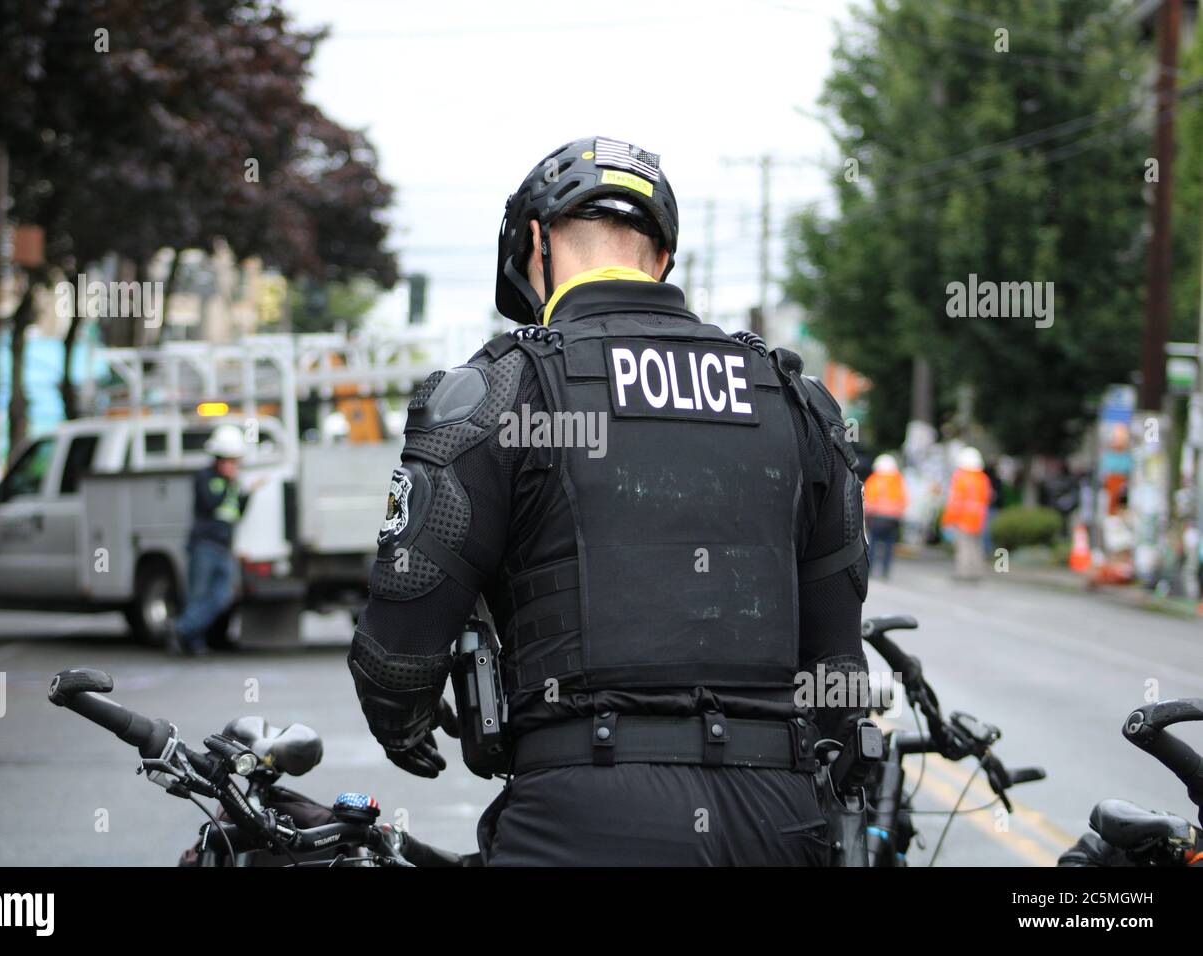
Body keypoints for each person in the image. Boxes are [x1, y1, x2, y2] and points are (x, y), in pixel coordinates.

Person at [348, 137, 869, 865]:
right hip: (775, 822)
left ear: (535, 244)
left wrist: (401, 722)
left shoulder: (498, 391)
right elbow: (839, 675)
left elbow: (401, 634)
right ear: (661, 258)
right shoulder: (796, 400)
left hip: (582, 819)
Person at [171, 424, 256, 656]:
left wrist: (247, 493)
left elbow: (235, 512)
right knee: (197, 597)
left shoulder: (233, 483)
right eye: (231, 460)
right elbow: (211, 503)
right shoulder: (205, 477)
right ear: (220, 458)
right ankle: (189, 638)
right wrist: (230, 484)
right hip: (204, 546)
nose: (234, 465)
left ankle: (183, 629)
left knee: (221, 597)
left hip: (222, 547)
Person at [943, 446, 991, 581]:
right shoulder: (982, 479)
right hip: (979, 518)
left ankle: (964, 572)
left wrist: (948, 519)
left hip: (963, 518)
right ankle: (976, 571)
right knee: (976, 546)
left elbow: (955, 501)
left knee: (964, 546)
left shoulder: (961, 478)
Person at [863, 453, 907, 579]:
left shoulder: (875, 479)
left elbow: (867, 499)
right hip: (893, 519)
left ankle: (869, 570)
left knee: (872, 544)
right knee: (888, 546)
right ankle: (885, 572)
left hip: (876, 517)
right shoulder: (898, 480)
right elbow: (904, 500)